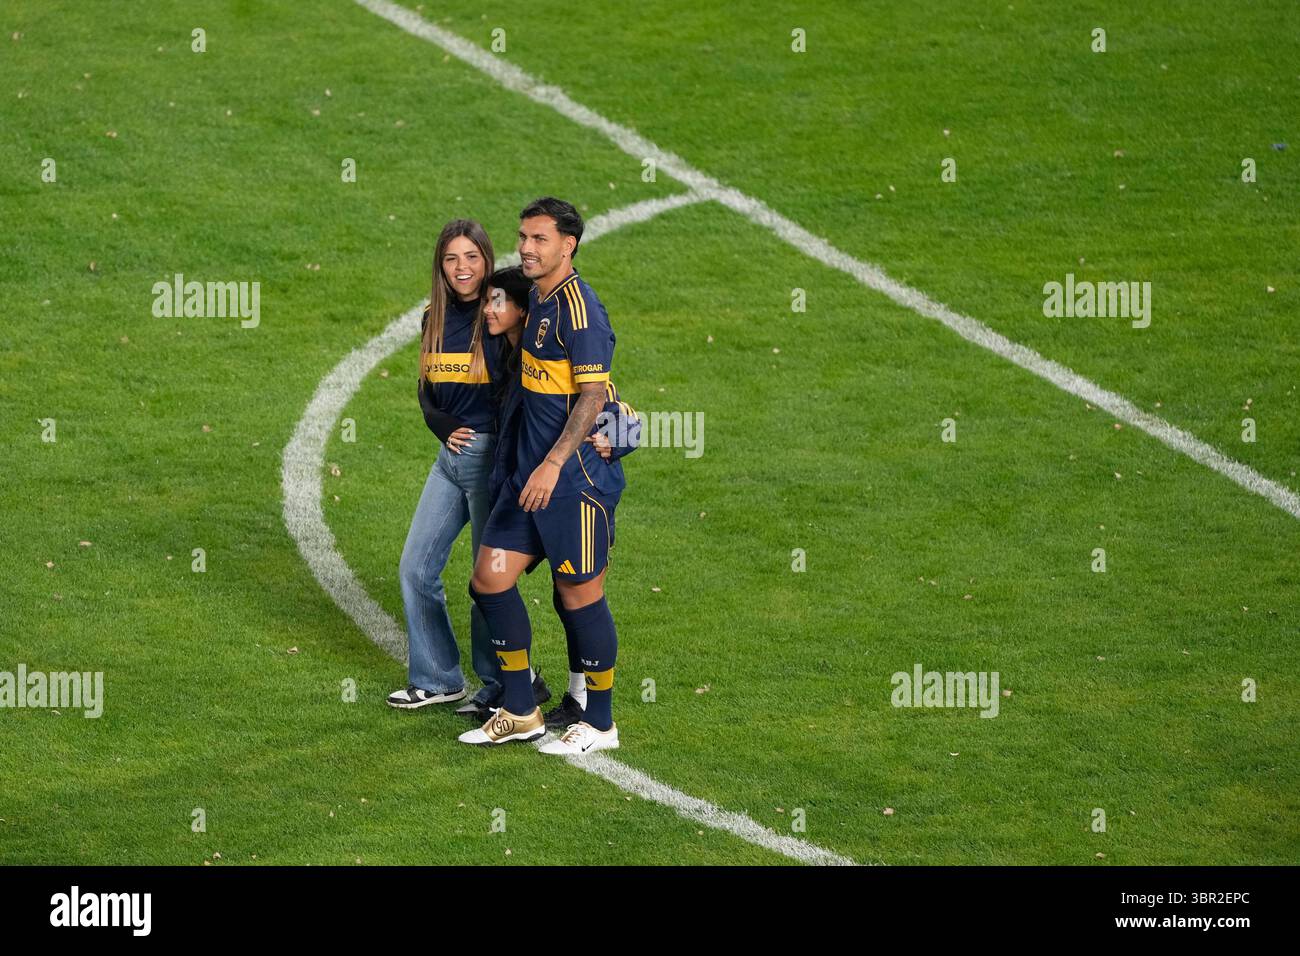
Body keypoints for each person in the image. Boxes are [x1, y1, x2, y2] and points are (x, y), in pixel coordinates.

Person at [458, 198, 629, 754]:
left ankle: (599, 724)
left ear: (568, 245)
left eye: (539, 239)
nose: (527, 248)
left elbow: (597, 394)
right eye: (523, 237)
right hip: (527, 481)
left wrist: (564, 458)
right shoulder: (536, 299)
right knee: (489, 578)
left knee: (578, 594)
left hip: (573, 482)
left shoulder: (582, 311)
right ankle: (520, 709)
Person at [387, 219, 550, 711]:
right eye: (452, 258)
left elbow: (525, 385)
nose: (462, 268)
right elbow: (426, 389)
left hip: (487, 461)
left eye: (472, 257)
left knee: (488, 578)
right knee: (416, 568)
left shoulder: (499, 314)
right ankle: (438, 678)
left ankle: (504, 682)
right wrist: (438, 423)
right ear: (441, 264)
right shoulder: (432, 317)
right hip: (449, 459)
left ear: (486, 259)